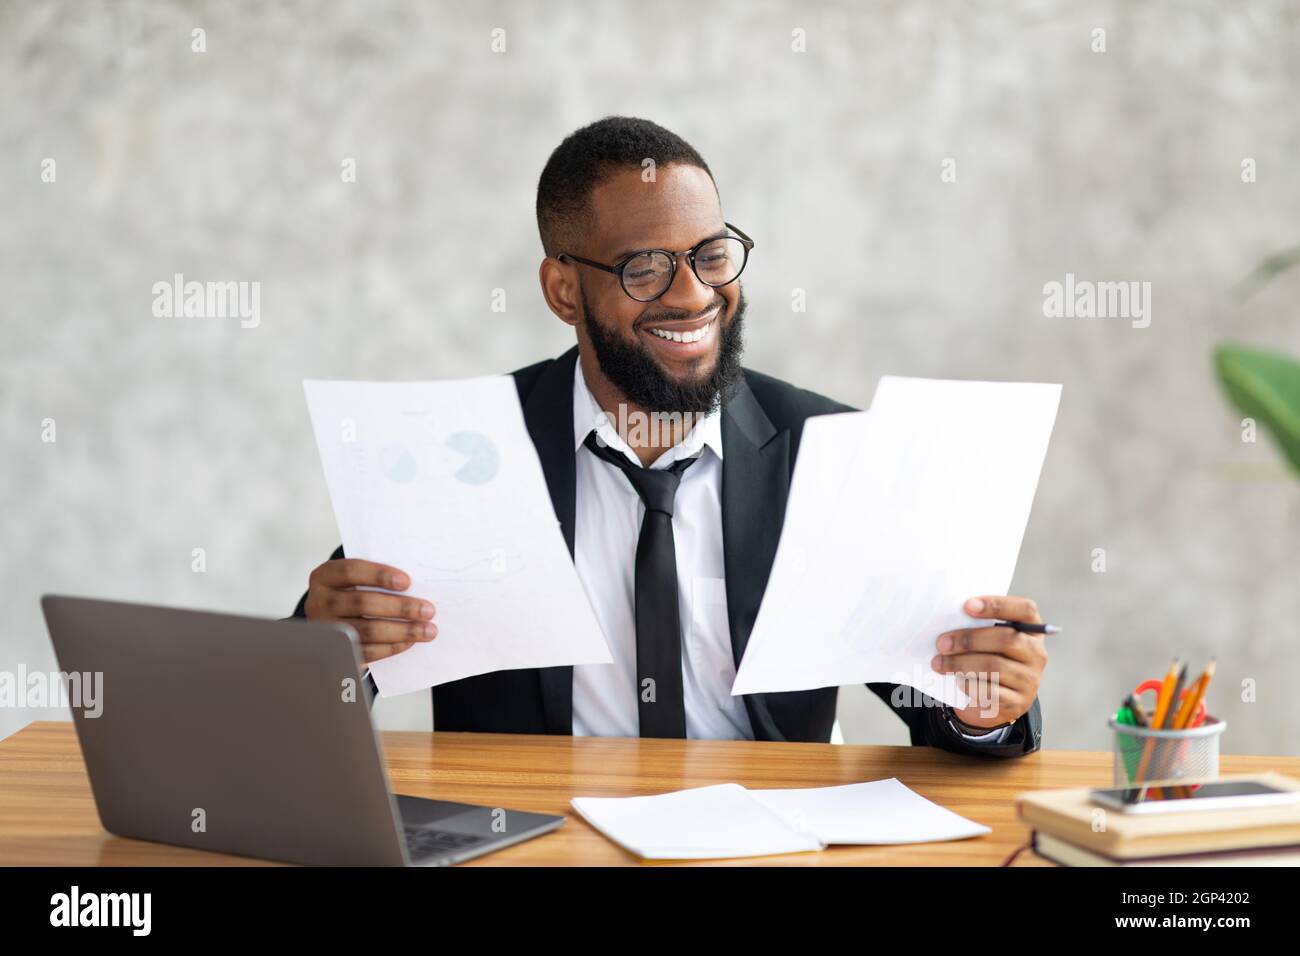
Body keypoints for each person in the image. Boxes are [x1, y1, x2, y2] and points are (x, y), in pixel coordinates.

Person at [292, 116, 1047, 756]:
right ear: (563, 290)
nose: (693, 295)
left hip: (767, 844)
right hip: (538, 844)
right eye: (644, 269)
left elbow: (938, 703)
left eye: (711, 255)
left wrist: (981, 705)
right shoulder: (465, 450)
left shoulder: (829, 450)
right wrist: (324, 651)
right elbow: (310, 708)